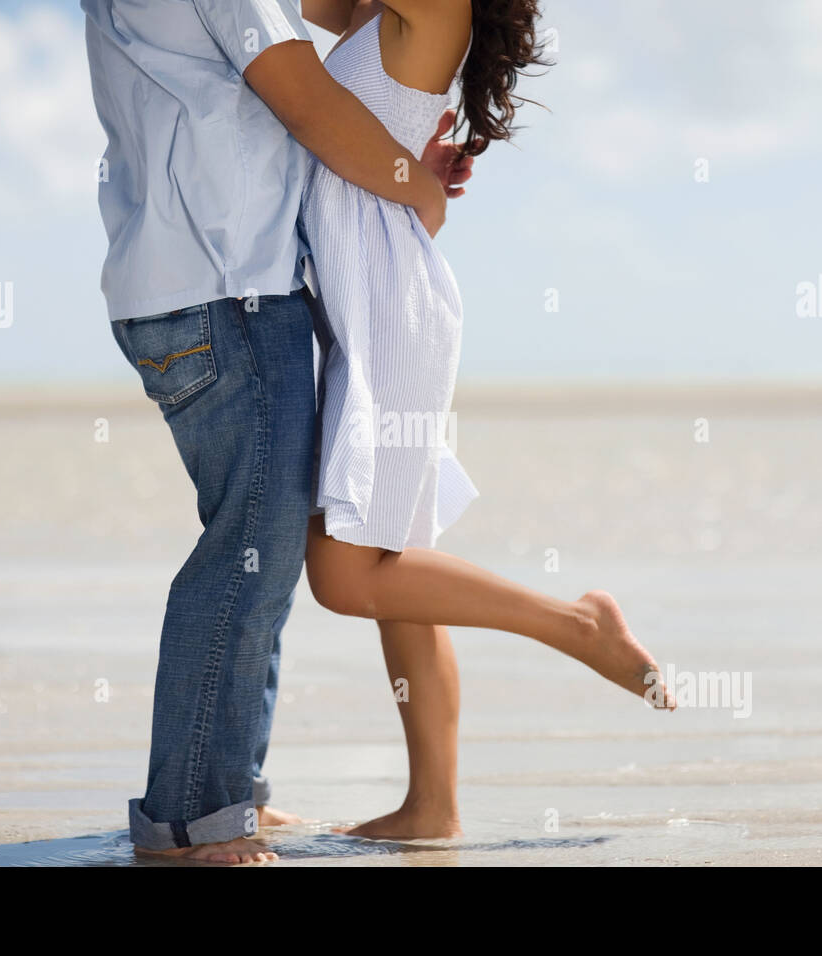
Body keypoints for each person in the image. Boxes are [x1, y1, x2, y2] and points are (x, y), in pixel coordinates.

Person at [81, 0, 473, 865]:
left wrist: (396, 160)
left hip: (181, 286)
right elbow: (302, 100)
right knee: (247, 550)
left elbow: (286, 79)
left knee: (259, 552)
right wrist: (411, 185)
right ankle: (196, 818)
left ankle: (230, 793)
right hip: (230, 291)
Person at [299, 0, 675, 841]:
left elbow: (321, 118)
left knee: (346, 576)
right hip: (365, 301)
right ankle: (432, 809)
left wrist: (410, 181)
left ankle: (578, 626)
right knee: (398, 572)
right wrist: (408, 169)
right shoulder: (369, 13)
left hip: (388, 308)